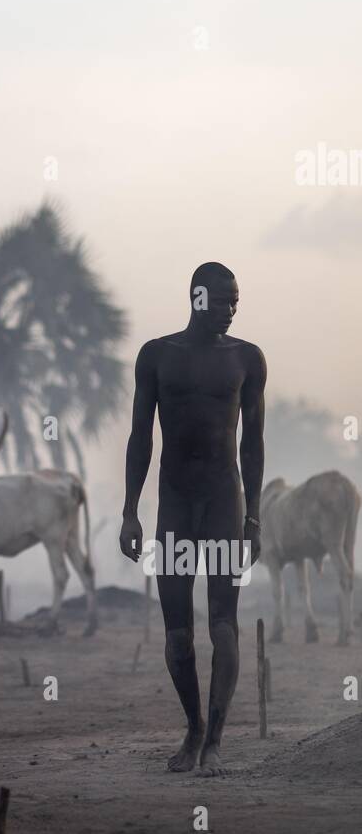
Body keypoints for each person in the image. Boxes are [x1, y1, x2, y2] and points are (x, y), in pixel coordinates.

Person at [120, 263, 266, 776]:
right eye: (224, 299)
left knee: (223, 625)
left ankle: (216, 743)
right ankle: (193, 728)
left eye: (236, 300)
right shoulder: (157, 356)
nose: (231, 309)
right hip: (175, 505)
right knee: (178, 631)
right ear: (197, 297)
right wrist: (129, 512)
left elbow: (253, 442)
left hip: (225, 502)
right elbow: (141, 438)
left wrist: (255, 521)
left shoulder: (246, 358)